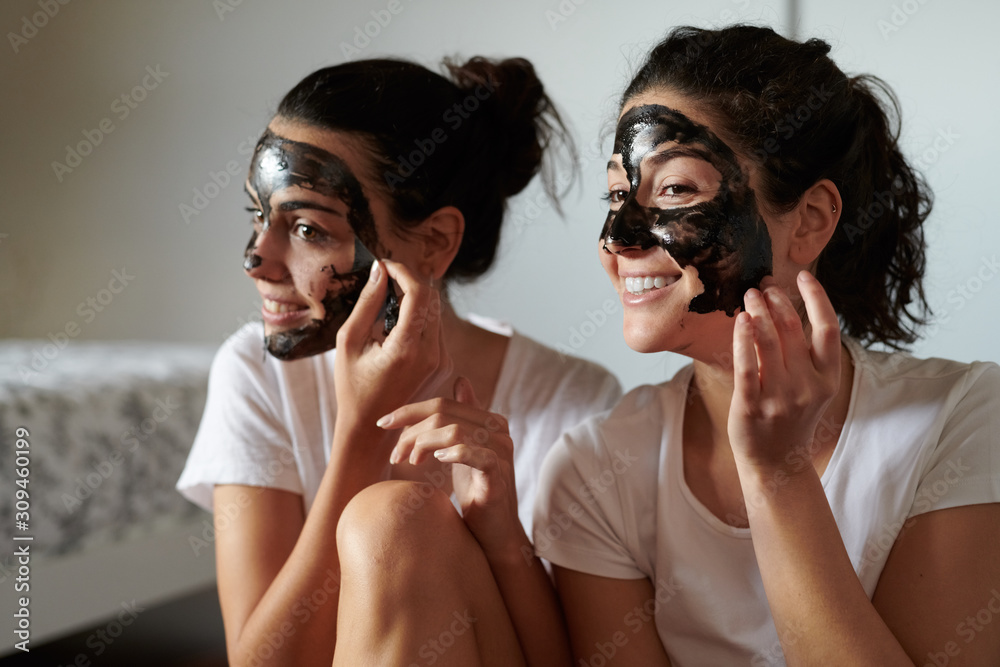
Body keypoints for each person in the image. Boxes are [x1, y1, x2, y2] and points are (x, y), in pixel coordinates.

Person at [533, 25, 1000, 666]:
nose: (619, 236)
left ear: (809, 220)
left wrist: (779, 475)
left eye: (673, 190)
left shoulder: (961, 417)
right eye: (617, 194)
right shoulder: (594, 471)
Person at [177, 56, 621, 666]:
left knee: (398, 519)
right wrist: (361, 436)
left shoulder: (574, 402)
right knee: (392, 516)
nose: (257, 260)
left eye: (308, 229)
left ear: (436, 241)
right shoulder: (255, 375)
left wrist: (501, 540)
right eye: (258, 215)